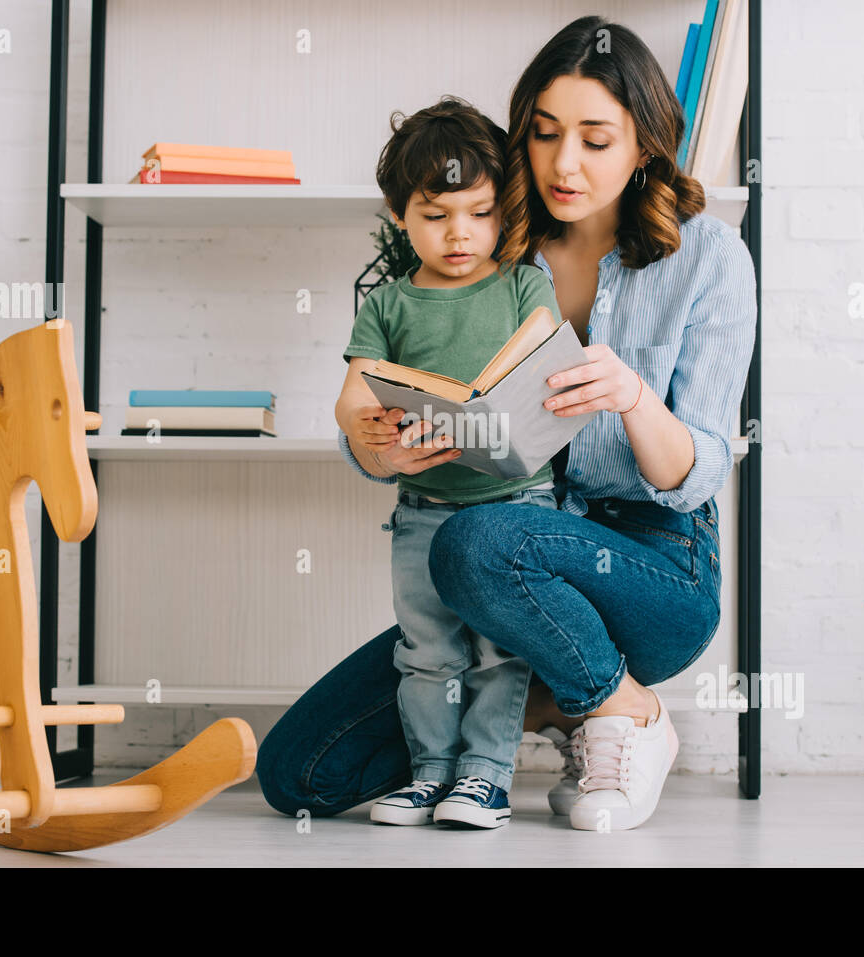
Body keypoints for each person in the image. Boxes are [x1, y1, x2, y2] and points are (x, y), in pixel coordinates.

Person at [259, 14, 756, 831]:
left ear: (645, 147)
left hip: (653, 565)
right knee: (300, 771)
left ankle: (626, 712)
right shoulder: (489, 241)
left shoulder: (707, 257)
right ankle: (562, 699)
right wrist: (378, 443)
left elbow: (695, 471)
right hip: (499, 564)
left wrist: (632, 397)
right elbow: (384, 386)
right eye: (545, 134)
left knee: (473, 543)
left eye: (597, 140)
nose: (565, 164)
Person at [335, 96, 564, 828]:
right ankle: (432, 772)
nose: (460, 234)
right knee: (426, 650)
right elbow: (351, 400)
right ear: (400, 216)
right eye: (436, 216)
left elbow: (543, 366)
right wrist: (373, 436)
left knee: (500, 651)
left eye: (480, 212)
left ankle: (486, 777)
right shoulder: (388, 306)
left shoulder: (526, 284)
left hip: (515, 505)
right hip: (423, 511)